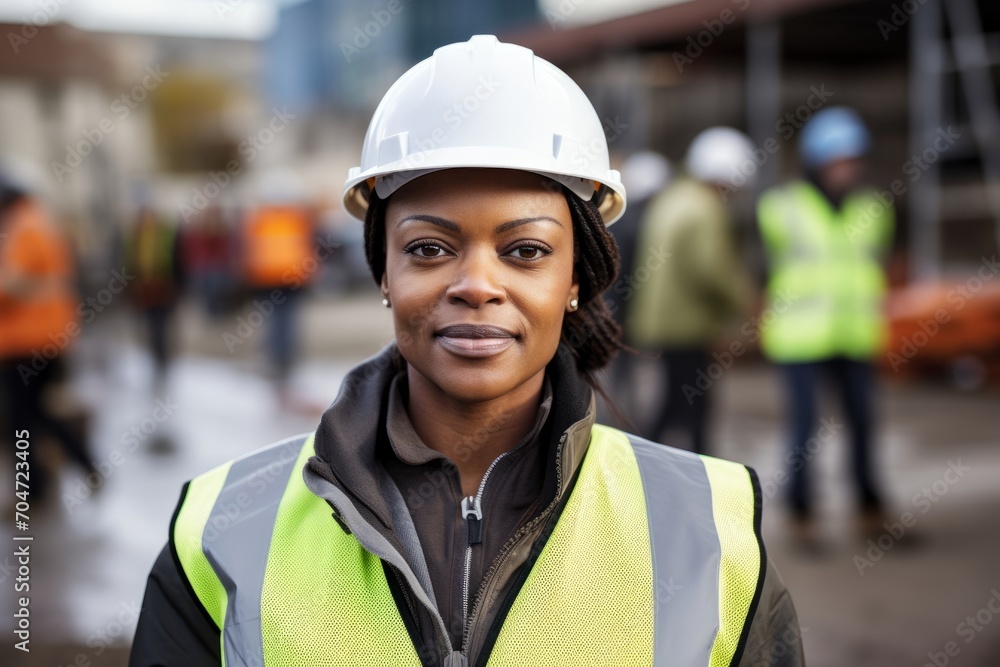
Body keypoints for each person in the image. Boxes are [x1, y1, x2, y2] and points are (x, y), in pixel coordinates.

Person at [130, 36, 802, 667]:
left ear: (574, 277)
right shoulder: (220, 536)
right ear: (384, 273)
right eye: (428, 248)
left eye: (525, 251)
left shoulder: (711, 534)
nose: (477, 285)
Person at [756, 107, 893, 545]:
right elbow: (764, 267)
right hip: (801, 336)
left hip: (854, 333)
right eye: (838, 161)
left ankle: (870, 509)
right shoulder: (782, 208)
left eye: (853, 160)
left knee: (864, 424)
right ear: (817, 162)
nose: (846, 170)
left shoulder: (873, 208)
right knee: (804, 429)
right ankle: (801, 514)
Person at [627, 128, 755, 454]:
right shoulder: (704, 208)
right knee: (691, 406)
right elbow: (711, 269)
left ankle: (647, 460)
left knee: (675, 400)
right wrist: (744, 301)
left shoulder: (674, 197)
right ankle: (676, 467)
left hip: (662, 322)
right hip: (687, 326)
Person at [0, 165, 96, 501]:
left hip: (26, 341)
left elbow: (11, 285)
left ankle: (31, 491)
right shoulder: (40, 221)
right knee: (35, 412)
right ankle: (86, 465)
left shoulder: (23, 228)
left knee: (22, 419)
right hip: (46, 337)